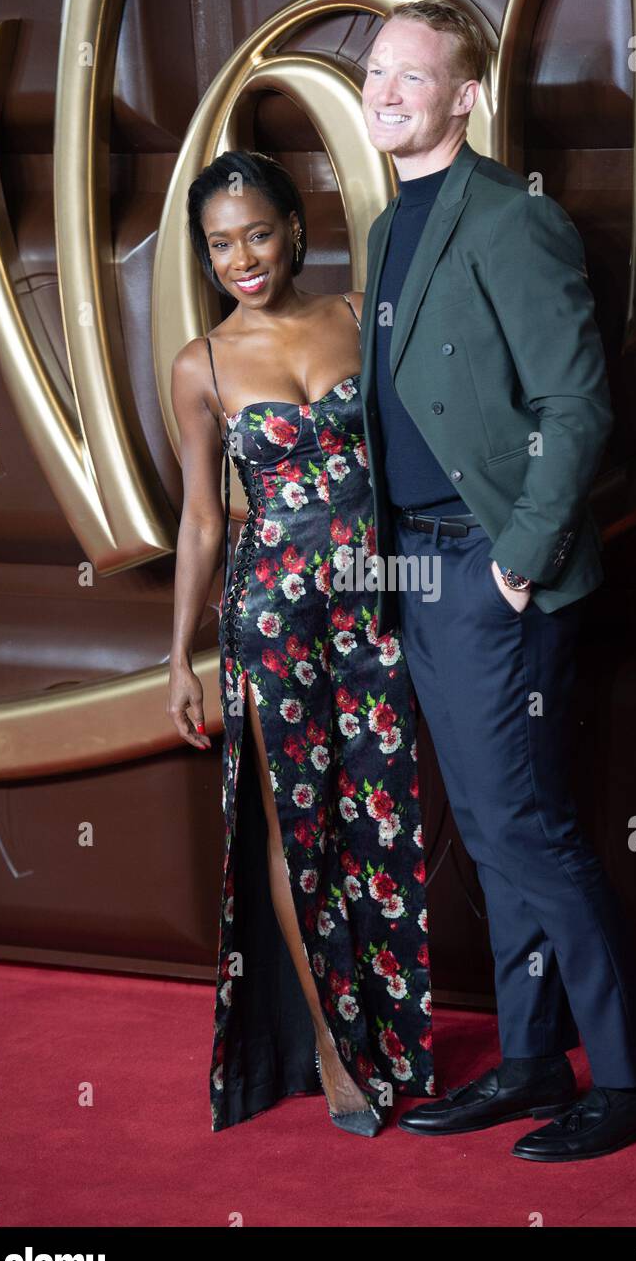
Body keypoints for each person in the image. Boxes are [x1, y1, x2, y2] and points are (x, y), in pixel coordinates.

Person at [357, 0, 636, 1160]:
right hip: (417, 565)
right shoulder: (388, 221)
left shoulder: (508, 219)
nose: (385, 91)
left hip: (493, 573)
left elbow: (575, 404)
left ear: (464, 95)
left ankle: (631, 1076)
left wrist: (513, 561)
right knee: (492, 837)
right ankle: (536, 1059)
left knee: (529, 828)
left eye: (412, 75)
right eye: (376, 72)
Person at [167, 150, 435, 1137]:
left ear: (294, 227)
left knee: (384, 816)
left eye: (258, 233)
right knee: (298, 828)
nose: (241, 258)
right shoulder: (198, 363)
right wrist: (176, 658)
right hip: (269, 617)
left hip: (372, 594)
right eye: (219, 243)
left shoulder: (354, 313)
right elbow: (202, 521)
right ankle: (328, 1040)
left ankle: (397, 1039)